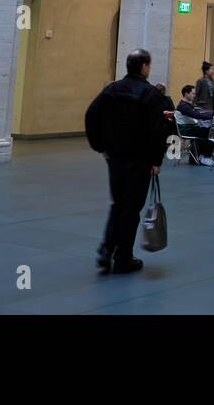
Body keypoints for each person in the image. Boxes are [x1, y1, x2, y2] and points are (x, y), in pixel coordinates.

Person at [84, 48, 175, 275]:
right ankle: (123, 256)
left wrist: (101, 146)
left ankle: (107, 250)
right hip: (140, 160)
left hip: (116, 158)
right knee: (132, 208)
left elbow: (91, 115)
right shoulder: (152, 95)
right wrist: (156, 160)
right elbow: (158, 131)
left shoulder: (112, 90)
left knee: (118, 205)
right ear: (144, 67)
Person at [176, 85, 214, 166]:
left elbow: (197, 113)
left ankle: (201, 156)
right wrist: (213, 115)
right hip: (186, 130)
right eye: (193, 93)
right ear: (186, 94)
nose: (194, 96)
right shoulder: (183, 106)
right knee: (212, 132)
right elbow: (196, 115)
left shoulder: (186, 104)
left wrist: (211, 113)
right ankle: (205, 156)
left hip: (191, 128)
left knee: (208, 131)